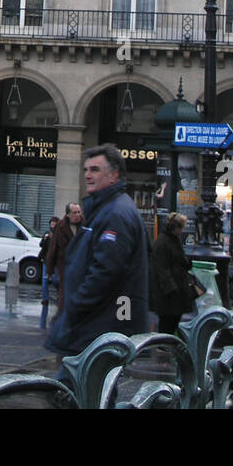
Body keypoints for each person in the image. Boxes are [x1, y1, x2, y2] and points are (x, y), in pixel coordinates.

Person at [46, 144, 149, 358]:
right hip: (96, 323)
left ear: (113, 175)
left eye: (95, 170)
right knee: (90, 386)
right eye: (86, 170)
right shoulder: (106, 208)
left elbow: (106, 271)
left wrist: (75, 306)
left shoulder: (115, 214)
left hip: (99, 324)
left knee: (77, 384)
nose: (87, 175)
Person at [149, 212, 203, 335]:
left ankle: (166, 344)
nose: (182, 230)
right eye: (181, 227)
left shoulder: (172, 240)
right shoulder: (164, 242)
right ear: (176, 227)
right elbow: (162, 268)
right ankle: (164, 346)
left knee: (172, 320)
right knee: (168, 321)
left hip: (175, 289)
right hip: (170, 292)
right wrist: (171, 288)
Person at [44, 203, 82, 315]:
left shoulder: (85, 225)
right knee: (64, 295)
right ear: (68, 214)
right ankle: (63, 319)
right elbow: (53, 249)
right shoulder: (60, 227)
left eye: (79, 212)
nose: (77, 215)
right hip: (65, 267)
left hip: (81, 267)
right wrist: (49, 270)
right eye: (74, 212)